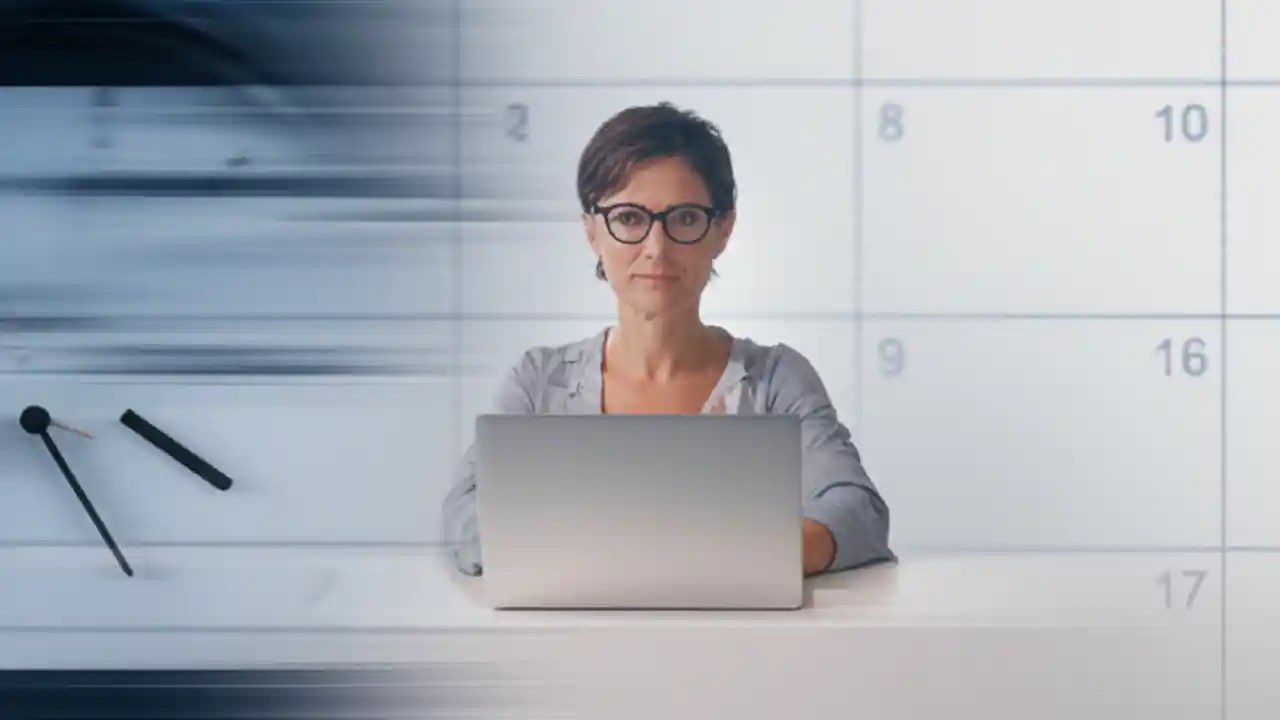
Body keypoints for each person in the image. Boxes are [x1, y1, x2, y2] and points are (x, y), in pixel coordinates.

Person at [442, 102, 895, 577]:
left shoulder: (775, 381)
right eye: (630, 219)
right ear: (592, 232)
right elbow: (464, 516)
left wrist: (728, 556)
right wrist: (639, 554)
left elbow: (858, 512)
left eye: (683, 218)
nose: (656, 248)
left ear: (722, 230)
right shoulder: (539, 383)